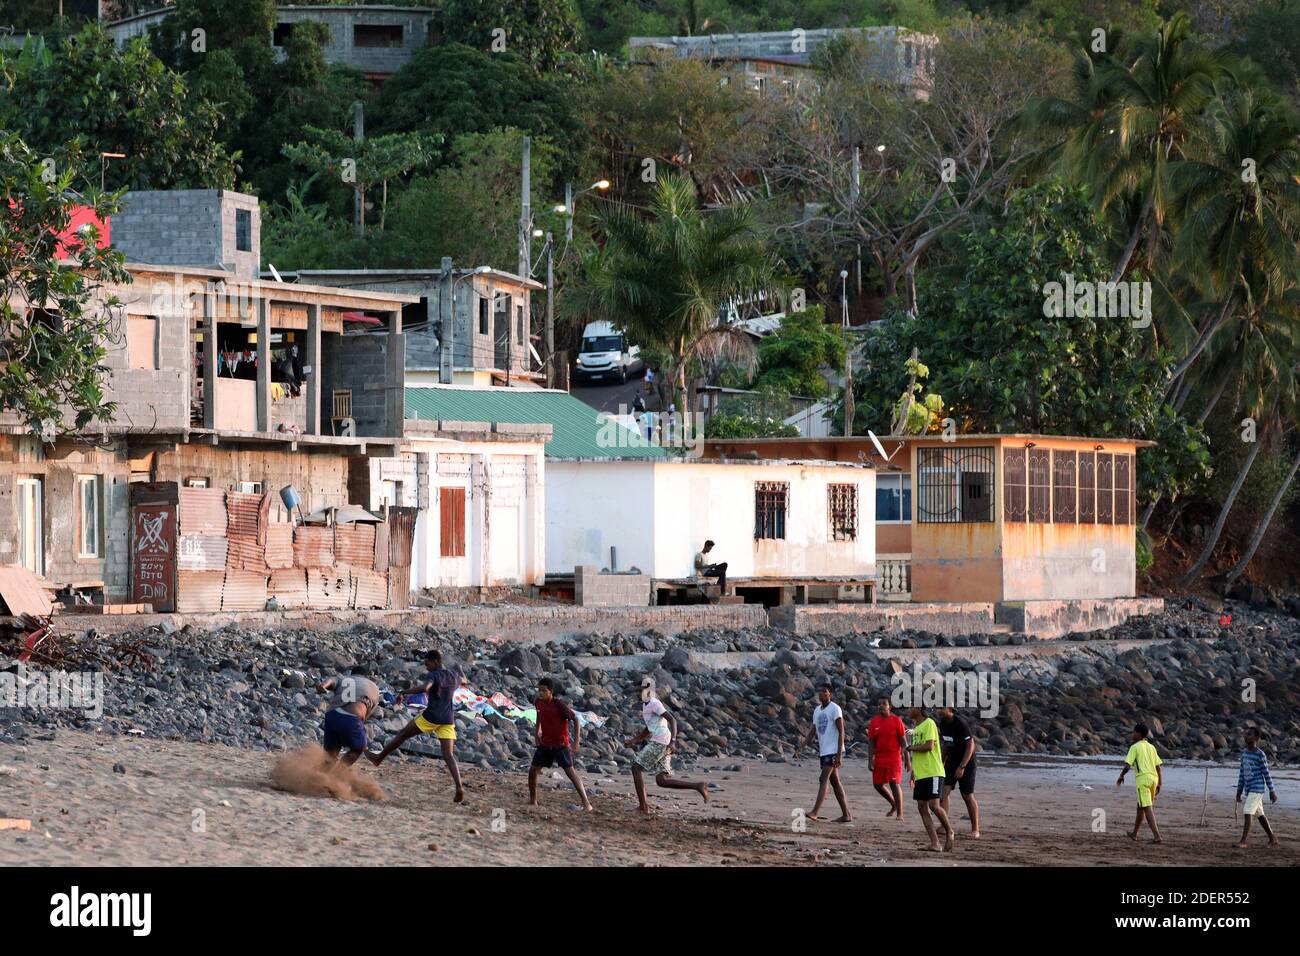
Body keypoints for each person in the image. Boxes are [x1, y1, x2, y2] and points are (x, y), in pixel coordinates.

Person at [367, 649, 465, 804]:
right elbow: (464, 679)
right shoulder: (453, 676)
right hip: (448, 719)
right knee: (448, 755)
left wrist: (404, 692)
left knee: (402, 735)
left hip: (431, 716)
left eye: (427, 664)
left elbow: (425, 688)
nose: (426, 667)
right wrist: (459, 668)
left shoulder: (434, 675)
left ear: (435, 662)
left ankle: (378, 758)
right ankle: (459, 786)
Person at [622, 678, 709, 814]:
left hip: (661, 742)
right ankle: (698, 786)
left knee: (636, 768)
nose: (640, 693)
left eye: (643, 690)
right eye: (639, 690)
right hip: (661, 741)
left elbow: (672, 720)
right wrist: (634, 740)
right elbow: (648, 727)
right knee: (661, 780)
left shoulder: (654, 704)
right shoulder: (646, 705)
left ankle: (643, 807)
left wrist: (673, 741)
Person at [529, 678, 593, 811]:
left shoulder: (559, 705)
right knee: (533, 770)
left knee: (570, 772)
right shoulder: (538, 703)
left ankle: (586, 803)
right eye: (539, 690)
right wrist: (537, 733)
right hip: (546, 743)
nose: (540, 693)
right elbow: (539, 716)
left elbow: (575, 719)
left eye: (544, 691)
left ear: (551, 692)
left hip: (560, 744)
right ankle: (533, 800)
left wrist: (576, 742)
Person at [906, 706, 955, 852]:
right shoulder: (916, 727)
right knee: (922, 806)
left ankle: (949, 831)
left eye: (911, 707)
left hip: (933, 771)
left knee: (934, 805)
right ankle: (935, 843)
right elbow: (916, 753)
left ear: (920, 708)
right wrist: (913, 772)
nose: (908, 709)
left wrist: (910, 748)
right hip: (921, 774)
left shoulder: (929, 723)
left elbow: (929, 745)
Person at [802, 683, 851, 822]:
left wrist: (839, 755)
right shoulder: (817, 710)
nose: (821, 693)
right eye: (820, 691)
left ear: (830, 694)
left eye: (825, 691)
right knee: (835, 783)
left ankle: (814, 812)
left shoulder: (835, 709)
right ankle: (847, 815)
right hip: (824, 751)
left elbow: (841, 731)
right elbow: (813, 730)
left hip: (833, 751)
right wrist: (802, 745)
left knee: (823, 779)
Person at [314, 669, 381, 765]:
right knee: (358, 748)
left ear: (352, 674)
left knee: (330, 753)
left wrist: (322, 686)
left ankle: (319, 775)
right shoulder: (373, 686)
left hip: (332, 715)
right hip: (352, 717)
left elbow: (330, 680)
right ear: (365, 676)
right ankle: (339, 774)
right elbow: (366, 715)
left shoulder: (343, 679)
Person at [938, 705, 980, 838]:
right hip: (951, 760)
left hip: (967, 761)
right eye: (937, 708)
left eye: (941, 708)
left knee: (967, 795)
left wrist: (962, 767)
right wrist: (940, 761)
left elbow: (971, 745)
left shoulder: (960, 723)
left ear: (950, 709)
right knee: (944, 792)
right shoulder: (942, 723)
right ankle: (944, 826)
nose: (938, 710)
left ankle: (975, 829)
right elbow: (946, 744)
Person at [1116, 722, 1163, 843]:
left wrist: (1121, 776)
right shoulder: (1151, 747)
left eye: (1133, 732)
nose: (1132, 734)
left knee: (1147, 807)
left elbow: (1127, 766)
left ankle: (1157, 836)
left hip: (1143, 780)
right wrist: (1160, 783)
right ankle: (1134, 834)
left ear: (1138, 733)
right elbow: (1158, 767)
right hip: (1154, 779)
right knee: (1140, 807)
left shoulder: (1135, 747)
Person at [1236, 727, 1279, 848]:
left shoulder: (1260, 755)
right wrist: (1239, 790)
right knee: (1259, 815)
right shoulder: (1244, 753)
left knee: (1247, 811)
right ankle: (1272, 838)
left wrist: (1272, 791)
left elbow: (1266, 774)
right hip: (1249, 789)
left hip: (1258, 788)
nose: (1246, 736)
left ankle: (1243, 841)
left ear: (1256, 738)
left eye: (1249, 734)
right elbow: (1242, 773)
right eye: (1246, 734)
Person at [867, 696, 908, 819]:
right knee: (877, 785)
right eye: (879, 704)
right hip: (879, 756)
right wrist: (870, 760)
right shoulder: (874, 722)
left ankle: (900, 813)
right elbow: (871, 742)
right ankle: (893, 804)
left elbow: (903, 742)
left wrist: (907, 759)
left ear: (889, 706)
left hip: (894, 756)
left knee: (894, 782)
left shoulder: (896, 721)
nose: (881, 706)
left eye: (884, 704)